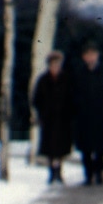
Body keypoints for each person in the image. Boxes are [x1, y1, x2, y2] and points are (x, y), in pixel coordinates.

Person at [70, 41, 103, 187]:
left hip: (102, 115)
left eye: (93, 54)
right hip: (84, 117)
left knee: (101, 147)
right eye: (88, 55)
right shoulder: (79, 73)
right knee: (85, 149)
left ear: (97, 55)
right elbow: (73, 94)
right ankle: (88, 175)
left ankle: (99, 173)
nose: (90, 58)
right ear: (83, 57)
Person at [31, 51, 73, 185]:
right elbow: (36, 99)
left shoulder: (66, 79)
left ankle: (59, 171)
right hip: (48, 119)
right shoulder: (43, 80)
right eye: (53, 64)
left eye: (58, 64)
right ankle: (51, 172)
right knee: (49, 147)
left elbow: (72, 97)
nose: (55, 66)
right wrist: (42, 112)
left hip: (63, 118)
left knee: (61, 147)